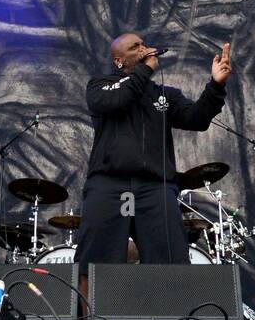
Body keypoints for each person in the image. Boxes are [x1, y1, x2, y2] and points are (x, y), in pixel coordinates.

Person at [73, 33, 231, 266]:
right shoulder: (100, 85)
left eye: (144, 44)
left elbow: (197, 119)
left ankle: (171, 302)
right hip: (109, 184)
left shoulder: (164, 95)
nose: (143, 48)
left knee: (170, 260)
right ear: (118, 61)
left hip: (155, 186)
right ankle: (88, 304)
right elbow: (115, 100)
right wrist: (144, 71)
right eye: (135, 46)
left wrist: (216, 86)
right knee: (94, 260)